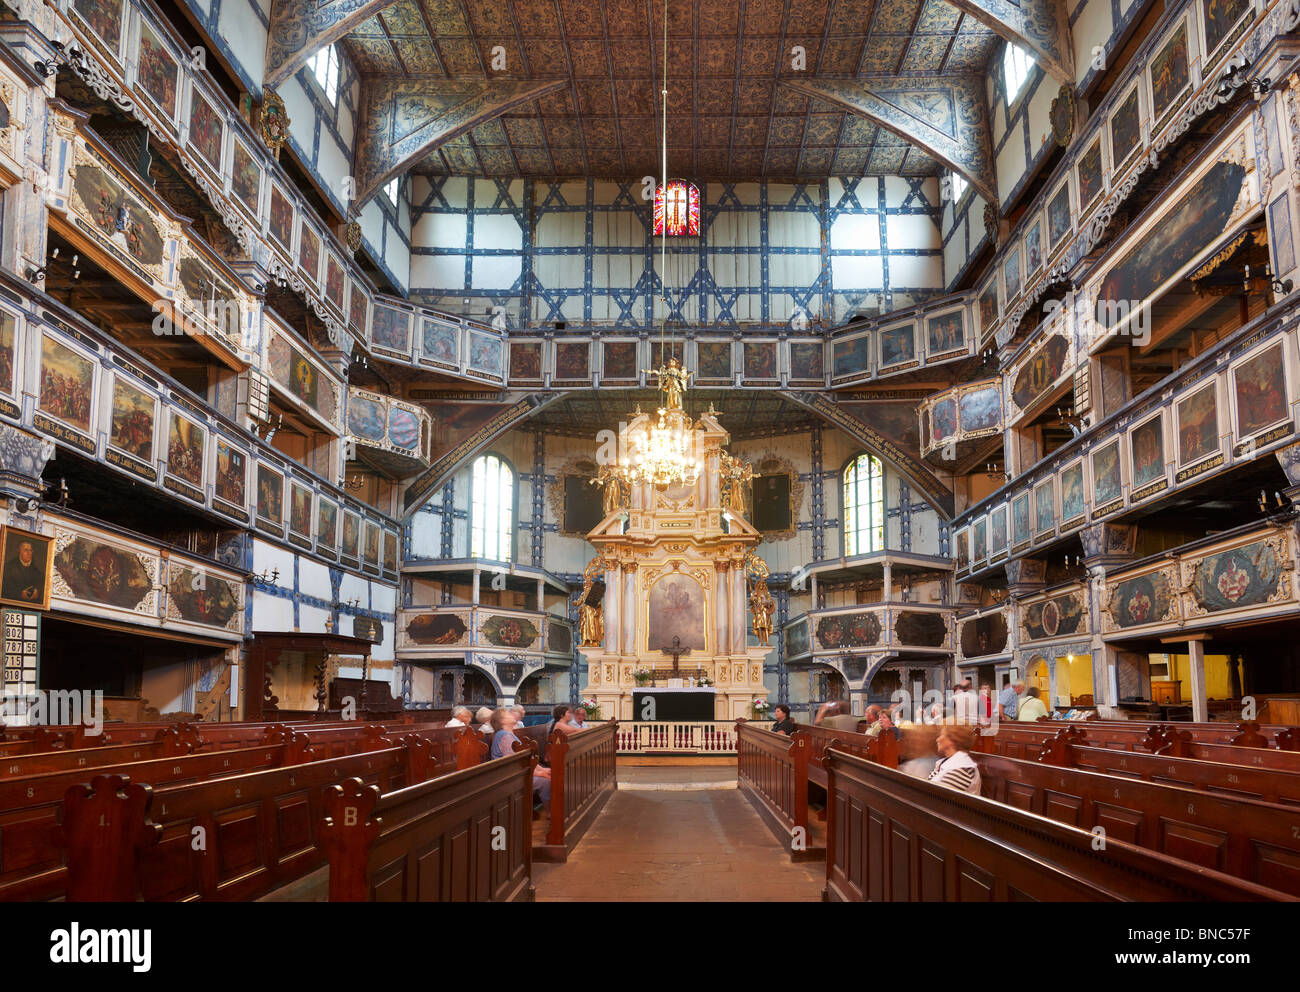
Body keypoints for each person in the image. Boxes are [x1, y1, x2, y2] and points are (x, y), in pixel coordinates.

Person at [489, 708, 550, 804]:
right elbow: (515, 763)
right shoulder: (504, 736)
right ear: (502, 721)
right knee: (546, 781)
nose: (511, 715)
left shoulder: (509, 734)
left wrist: (542, 770)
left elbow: (527, 758)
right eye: (508, 714)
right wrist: (539, 773)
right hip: (508, 777)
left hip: (517, 773)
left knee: (549, 775)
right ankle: (550, 814)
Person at [927, 724, 982, 794]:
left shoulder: (962, 769)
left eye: (941, 735)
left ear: (952, 740)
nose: (937, 739)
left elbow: (937, 798)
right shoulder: (945, 761)